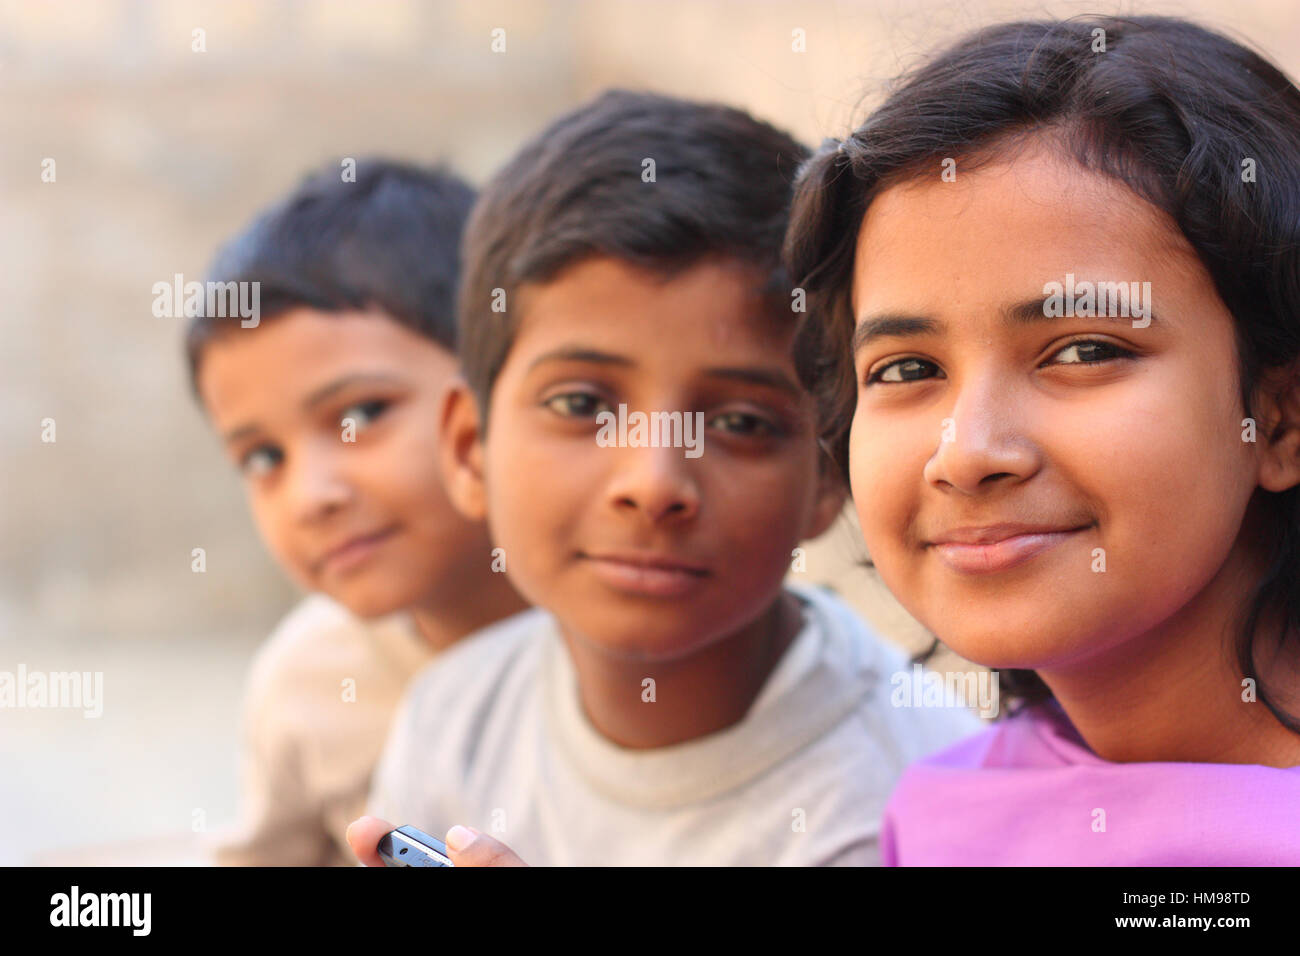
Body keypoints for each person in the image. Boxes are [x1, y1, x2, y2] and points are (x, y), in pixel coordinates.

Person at [348, 90, 980, 867]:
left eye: (741, 422)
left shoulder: (908, 808)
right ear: (469, 447)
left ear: (826, 474)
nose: (653, 482)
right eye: (581, 404)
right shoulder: (458, 713)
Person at [784, 15, 1300, 864]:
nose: (968, 451)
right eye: (907, 369)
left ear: (1278, 419)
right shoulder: (942, 813)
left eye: (1086, 351)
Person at [186, 159, 528, 865]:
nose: (312, 496)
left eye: (361, 414)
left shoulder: (634, 638)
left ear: (497, 388)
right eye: (261, 458)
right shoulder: (307, 677)